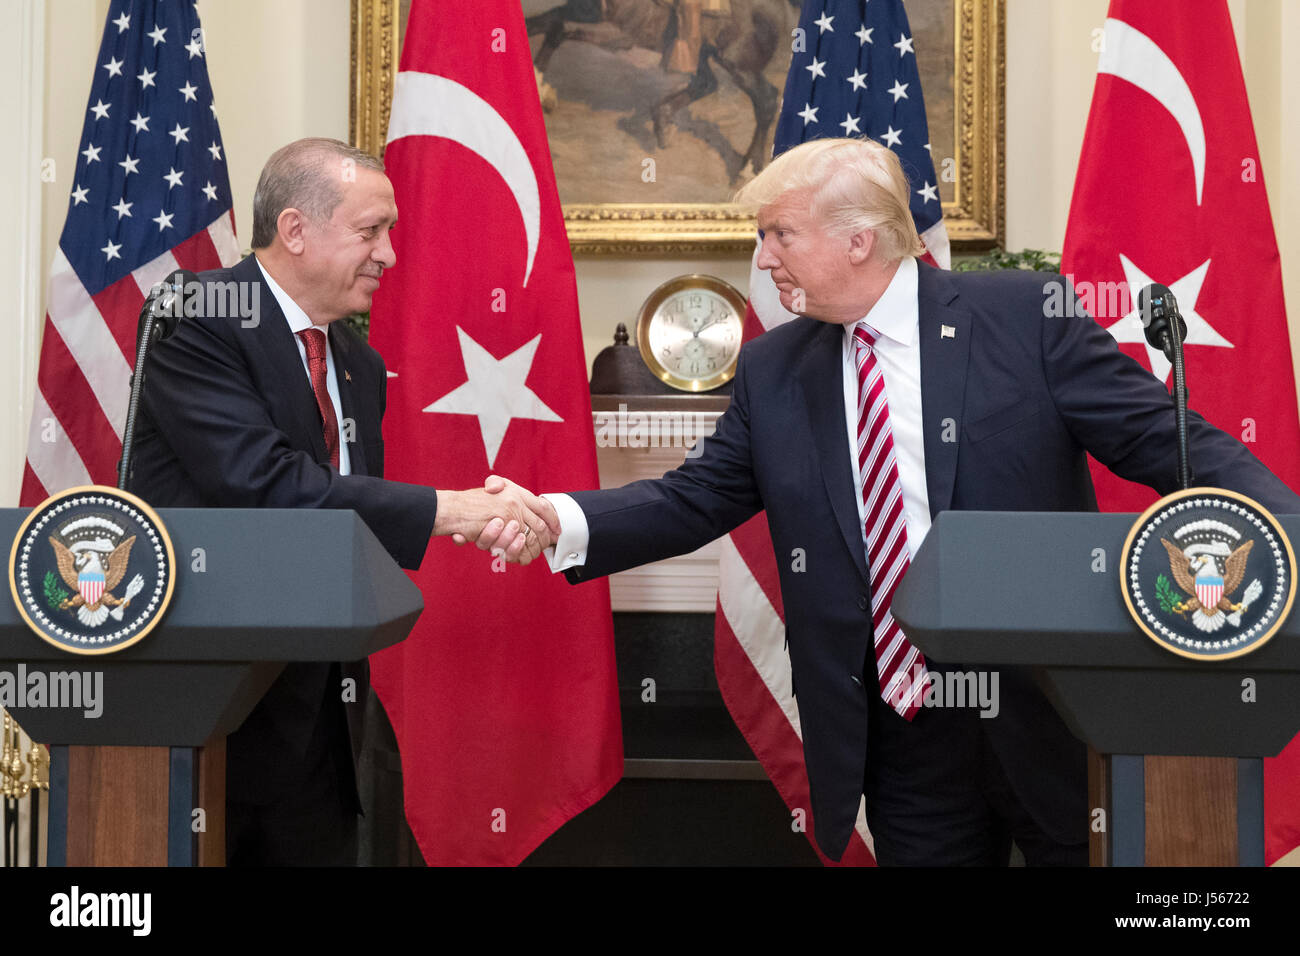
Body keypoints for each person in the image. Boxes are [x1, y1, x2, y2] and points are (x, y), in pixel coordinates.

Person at [468, 137, 1300, 865]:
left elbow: (1168, 443)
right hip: (897, 720)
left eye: (779, 235)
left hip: (1047, 705)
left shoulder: (1024, 319)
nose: (764, 260)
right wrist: (556, 518)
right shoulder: (775, 367)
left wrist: (1285, 534)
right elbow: (696, 497)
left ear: (858, 239)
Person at [128, 137, 559, 866]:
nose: (389, 253)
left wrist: (471, 520)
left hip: (322, 711)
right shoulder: (195, 313)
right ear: (296, 230)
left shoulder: (355, 360)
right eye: (371, 230)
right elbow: (262, 485)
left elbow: (348, 526)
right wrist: (451, 511)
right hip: (207, 710)